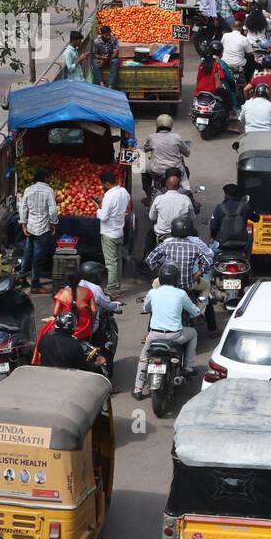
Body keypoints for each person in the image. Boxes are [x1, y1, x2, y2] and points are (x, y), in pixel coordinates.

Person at [134, 263, 201, 400]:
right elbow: (194, 311)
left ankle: (138, 388)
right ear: (176, 279)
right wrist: (198, 312)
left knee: (144, 358)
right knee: (193, 332)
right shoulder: (181, 294)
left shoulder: (153, 292)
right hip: (175, 336)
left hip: (154, 335)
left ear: (161, 278)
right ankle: (188, 367)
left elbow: (146, 308)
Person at [19, 166, 58, 294]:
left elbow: (23, 208)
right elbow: (52, 210)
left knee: (28, 253)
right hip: (43, 228)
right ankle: (35, 285)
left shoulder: (28, 190)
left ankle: (22, 278)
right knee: (37, 257)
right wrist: (54, 223)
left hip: (30, 226)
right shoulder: (49, 191)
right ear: (46, 178)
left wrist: (23, 224)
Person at [142, 113, 192, 204]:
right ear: (171, 125)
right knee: (186, 170)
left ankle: (148, 196)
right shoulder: (177, 137)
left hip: (157, 170)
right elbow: (187, 153)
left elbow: (145, 149)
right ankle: (188, 195)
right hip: (176, 170)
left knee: (144, 170)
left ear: (157, 125)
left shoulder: (152, 137)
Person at [34, 310, 105, 371]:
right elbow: (84, 368)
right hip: (67, 381)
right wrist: (97, 363)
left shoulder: (44, 338)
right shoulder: (75, 346)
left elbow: (40, 350)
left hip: (46, 376)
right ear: (73, 327)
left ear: (56, 325)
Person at [78, 260, 122, 358]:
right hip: (89, 327)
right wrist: (117, 305)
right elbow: (107, 305)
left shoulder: (72, 286)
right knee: (105, 347)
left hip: (73, 325)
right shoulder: (95, 289)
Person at [95, 170, 129, 295]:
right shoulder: (124, 192)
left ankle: (113, 289)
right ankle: (117, 285)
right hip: (119, 231)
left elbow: (103, 217)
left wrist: (97, 209)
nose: (103, 187)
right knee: (118, 260)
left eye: (103, 184)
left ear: (107, 183)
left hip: (109, 233)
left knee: (111, 262)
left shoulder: (109, 196)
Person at [148, 168, 198, 254]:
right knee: (195, 233)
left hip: (162, 234)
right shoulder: (185, 197)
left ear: (166, 183)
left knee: (149, 234)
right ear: (179, 184)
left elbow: (151, 217)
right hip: (182, 233)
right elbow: (192, 217)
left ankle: (145, 259)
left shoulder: (159, 197)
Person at [210, 183, 260, 256]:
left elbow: (213, 227)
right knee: (250, 237)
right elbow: (256, 219)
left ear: (226, 194)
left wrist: (214, 237)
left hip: (222, 243)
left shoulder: (219, 208)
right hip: (242, 243)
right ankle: (247, 260)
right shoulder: (245, 206)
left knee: (211, 252)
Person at [53, 271, 96, 341]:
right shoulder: (88, 291)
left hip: (65, 326)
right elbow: (94, 310)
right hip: (84, 327)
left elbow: (55, 313)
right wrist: (91, 326)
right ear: (79, 280)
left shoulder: (62, 293)